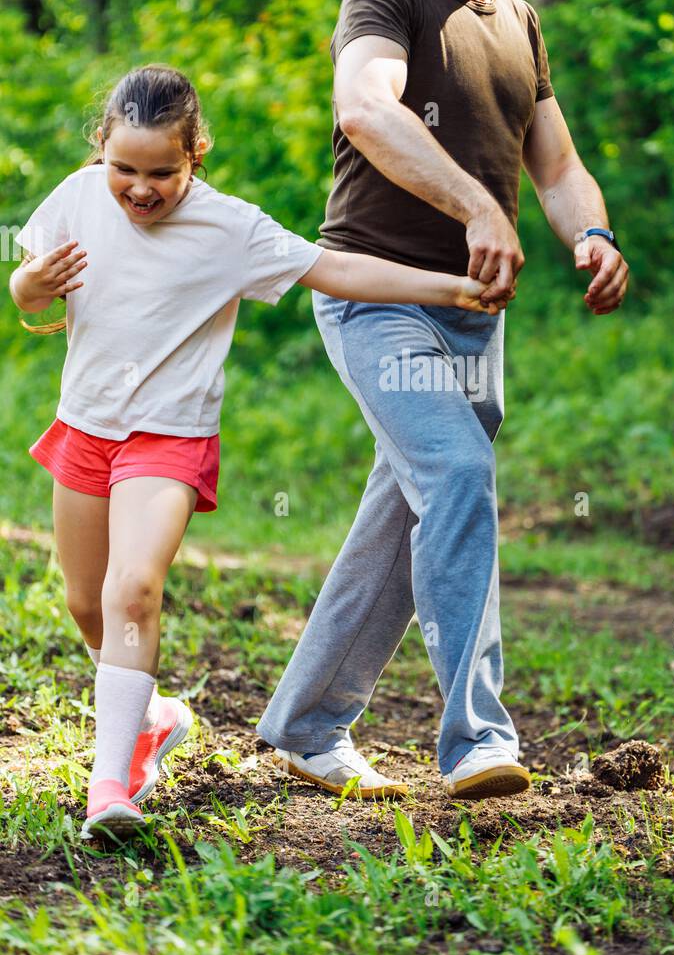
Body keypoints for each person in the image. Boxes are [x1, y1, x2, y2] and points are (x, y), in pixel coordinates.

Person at [8, 63, 503, 843]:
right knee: (84, 601)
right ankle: (153, 716)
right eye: (124, 169)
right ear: (101, 148)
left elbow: (333, 267)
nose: (140, 189)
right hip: (85, 429)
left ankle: (110, 789)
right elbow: (27, 295)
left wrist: (447, 288)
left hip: (168, 439)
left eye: (161, 173)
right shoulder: (75, 196)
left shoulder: (230, 228)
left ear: (195, 154)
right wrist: (30, 283)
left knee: (131, 589)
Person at [256, 0, 629, 803]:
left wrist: (587, 234)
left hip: (476, 314)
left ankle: (303, 724)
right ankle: (476, 738)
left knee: (409, 511)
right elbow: (364, 107)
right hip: (377, 295)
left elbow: (555, 165)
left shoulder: (518, 23)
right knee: (457, 476)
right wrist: (472, 204)